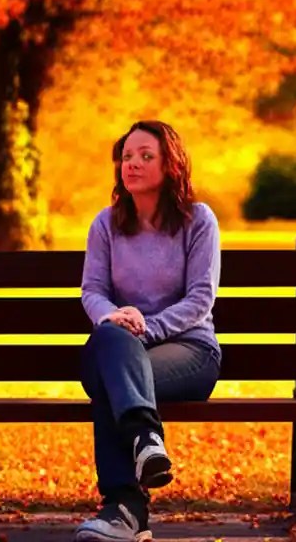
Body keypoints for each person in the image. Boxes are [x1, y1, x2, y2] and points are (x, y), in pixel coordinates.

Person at [74, 120, 222, 542]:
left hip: (190, 352)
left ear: (170, 164)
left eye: (145, 156)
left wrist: (146, 328)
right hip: (122, 348)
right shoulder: (106, 224)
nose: (132, 164)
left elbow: (200, 299)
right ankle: (146, 440)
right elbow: (93, 291)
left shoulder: (198, 221)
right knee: (110, 342)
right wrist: (114, 319)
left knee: (112, 374)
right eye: (126, 157)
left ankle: (124, 510)